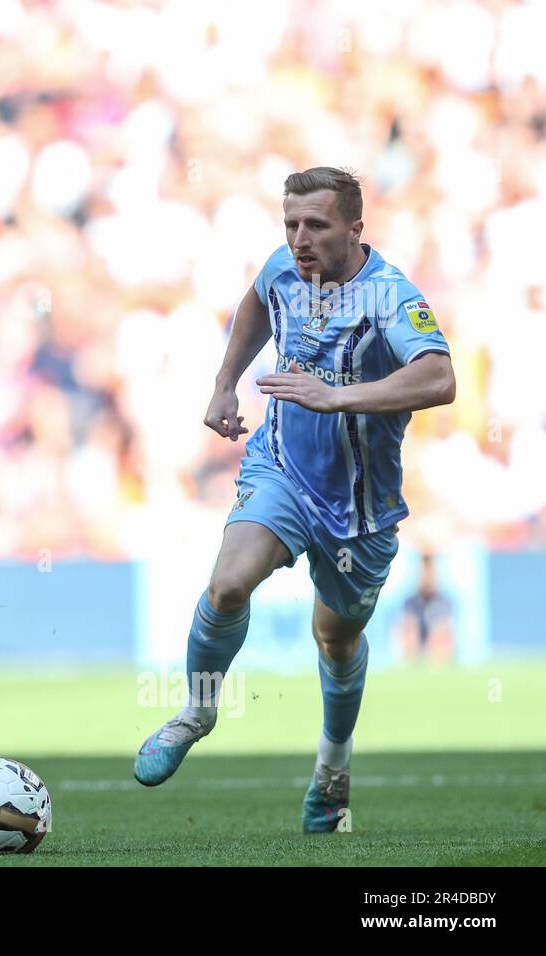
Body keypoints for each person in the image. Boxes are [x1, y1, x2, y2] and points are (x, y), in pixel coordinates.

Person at [133, 167, 456, 832]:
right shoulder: (283, 267)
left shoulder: (391, 296)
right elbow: (256, 301)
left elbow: (439, 375)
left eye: (317, 225)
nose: (300, 239)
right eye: (291, 224)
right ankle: (197, 709)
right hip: (281, 469)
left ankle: (333, 768)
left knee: (335, 641)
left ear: (355, 230)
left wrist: (340, 396)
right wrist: (225, 385)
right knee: (227, 585)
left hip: (361, 505)